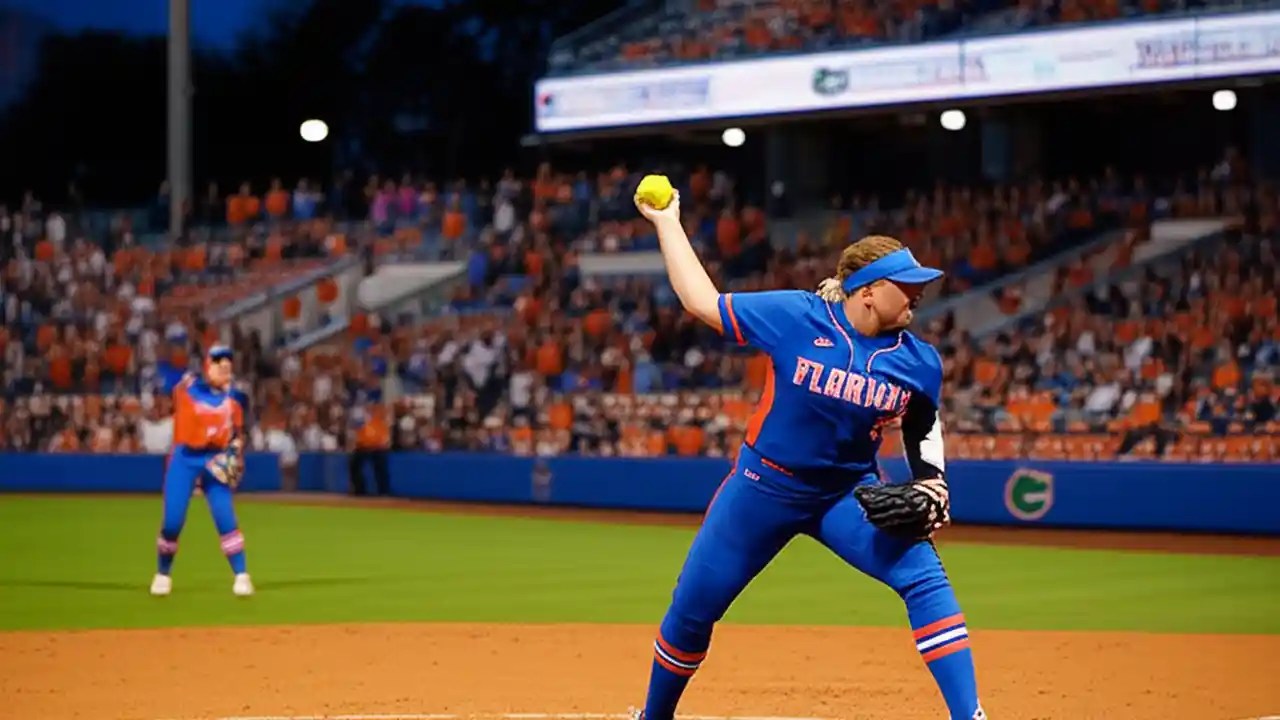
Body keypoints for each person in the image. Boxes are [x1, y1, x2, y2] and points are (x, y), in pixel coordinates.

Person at [631, 189, 984, 719]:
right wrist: (668, 223)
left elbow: (922, 420)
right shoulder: (797, 317)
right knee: (692, 610)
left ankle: (970, 716)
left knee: (923, 577)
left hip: (847, 493)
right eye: (906, 286)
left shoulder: (918, 361)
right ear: (866, 292)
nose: (919, 294)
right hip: (762, 489)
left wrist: (932, 478)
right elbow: (703, 303)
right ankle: (654, 717)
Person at [149, 345, 254, 598]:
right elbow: (161, 377)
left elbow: (238, 436)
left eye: (227, 366)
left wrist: (234, 453)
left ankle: (241, 575)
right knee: (173, 521)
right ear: (207, 366)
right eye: (218, 364)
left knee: (225, 518)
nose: (223, 369)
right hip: (184, 458)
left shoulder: (235, 401)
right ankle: (163, 573)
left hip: (214, 459)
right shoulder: (186, 387)